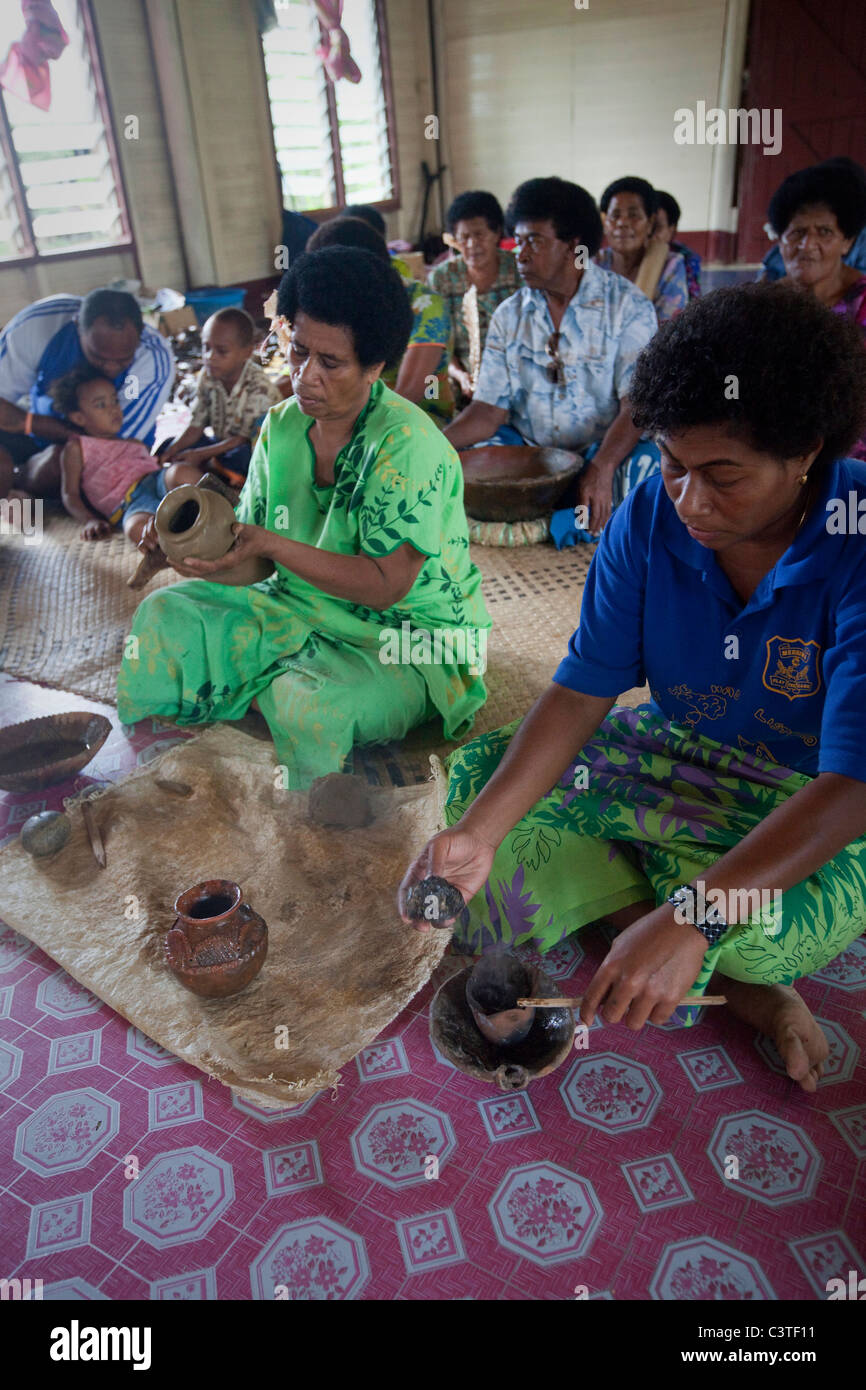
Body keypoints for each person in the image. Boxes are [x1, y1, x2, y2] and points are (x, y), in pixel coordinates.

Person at [399, 282, 866, 1094]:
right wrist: (477, 834)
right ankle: (664, 912)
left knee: (747, 932)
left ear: (805, 454)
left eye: (722, 474)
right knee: (482, 812)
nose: (689, 500)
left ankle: (740, 975)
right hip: (676, 752)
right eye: (674, 465)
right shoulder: (651, 512)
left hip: (809, 794)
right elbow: (584, 688)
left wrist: (696, 915)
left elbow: (853, 785)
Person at [118, 247, 490, 787]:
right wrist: (194, 558)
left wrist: (270, 544)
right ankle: (237, 712)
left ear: (375, 365)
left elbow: (385, 586)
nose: (305, 376)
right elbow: (255, 562)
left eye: (331, 363)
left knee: (310, 704)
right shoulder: (282, 427)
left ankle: (270, 693)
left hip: (403, 638)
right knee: (160, 618)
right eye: (297, 353)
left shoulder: (408, 444)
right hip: (294, 606)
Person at [445, 177, 659, 533]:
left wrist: (602, 466)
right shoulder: (510, 314)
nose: (521, 254)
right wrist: (431, 443)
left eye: (535, 241)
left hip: (601, 449)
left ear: (574, 246)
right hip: (531, 453)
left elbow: (636, 404)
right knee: (469, 461)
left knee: (645, 468)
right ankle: (564, 517)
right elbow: (488, 410)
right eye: (518, 241)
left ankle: (555, 516)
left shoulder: (626, 305)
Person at [0, 288, 174, 499]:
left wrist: (49, 429)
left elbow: (111, 446)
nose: (110, 368)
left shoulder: (153, 359)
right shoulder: (37, 327)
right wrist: (32, 424)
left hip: (103, 451)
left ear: (140, 335)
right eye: (98, 356)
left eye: (122, 360)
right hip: (35, 432)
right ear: (77, 326)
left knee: (63, 465)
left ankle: (21, 481)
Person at [303, 217, 454, 424]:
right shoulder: (340, 304)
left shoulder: (425, 306)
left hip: (416, 420)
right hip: (345, 414)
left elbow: (406, 396)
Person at [763, 160, 866, 459]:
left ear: (846, 242)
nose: (808, 245)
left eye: (824, 232)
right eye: (796, 233)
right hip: (775, 449)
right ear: (780, 240)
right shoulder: (762, 302)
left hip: (850, 453)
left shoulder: (861, 301)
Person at [51, 367, 200, 544]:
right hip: (130, 506)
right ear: (78, 418)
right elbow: (70, 494)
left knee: (179, 472)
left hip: (156, 482)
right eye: (101, 405)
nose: (113, 409)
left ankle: (220, 506)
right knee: (135, 529)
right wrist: (90, 519)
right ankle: (185, 542)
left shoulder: (133, 443)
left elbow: (158, 469)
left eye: (115, 400)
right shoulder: (77, 448)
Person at [158, 307, 281, 488]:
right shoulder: (208, 377)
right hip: (221, 443)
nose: (210, 357)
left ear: (246, 352)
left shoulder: (259, 386)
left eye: (221, 351)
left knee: (243, 457)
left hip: (249, 446)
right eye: (206, 347)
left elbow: (242, 439)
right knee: (169, 445)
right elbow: (196, 426)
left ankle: (218, 474)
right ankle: (212, 469)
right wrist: (173, 449)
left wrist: (200, 454)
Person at [428, 190, 521, 407]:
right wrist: (461, 376)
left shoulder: (518, 271)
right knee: (430, 387)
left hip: (516, 375)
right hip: (465, 380)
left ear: (497, 232)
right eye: (464, 237)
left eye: (479, 235)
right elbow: (436, 342)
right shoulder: (442, 278)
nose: (471, 245)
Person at [596, 176, 689, 324]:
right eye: (615, 215)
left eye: (634, 215)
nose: (622, 223)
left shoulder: (668, 265)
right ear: (605, 223)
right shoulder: (593, 264)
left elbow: (669, 330)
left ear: (650, 223)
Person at [758, 157, 866, 283]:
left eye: (824, 232)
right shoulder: (792, 238)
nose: (807, 245)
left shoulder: (859, 240)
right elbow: (768, 274)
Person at [654, 191, 702, 299]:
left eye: (657, 227)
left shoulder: (686, 260)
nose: (650, 235)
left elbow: (693, 302)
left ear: (672, 229)